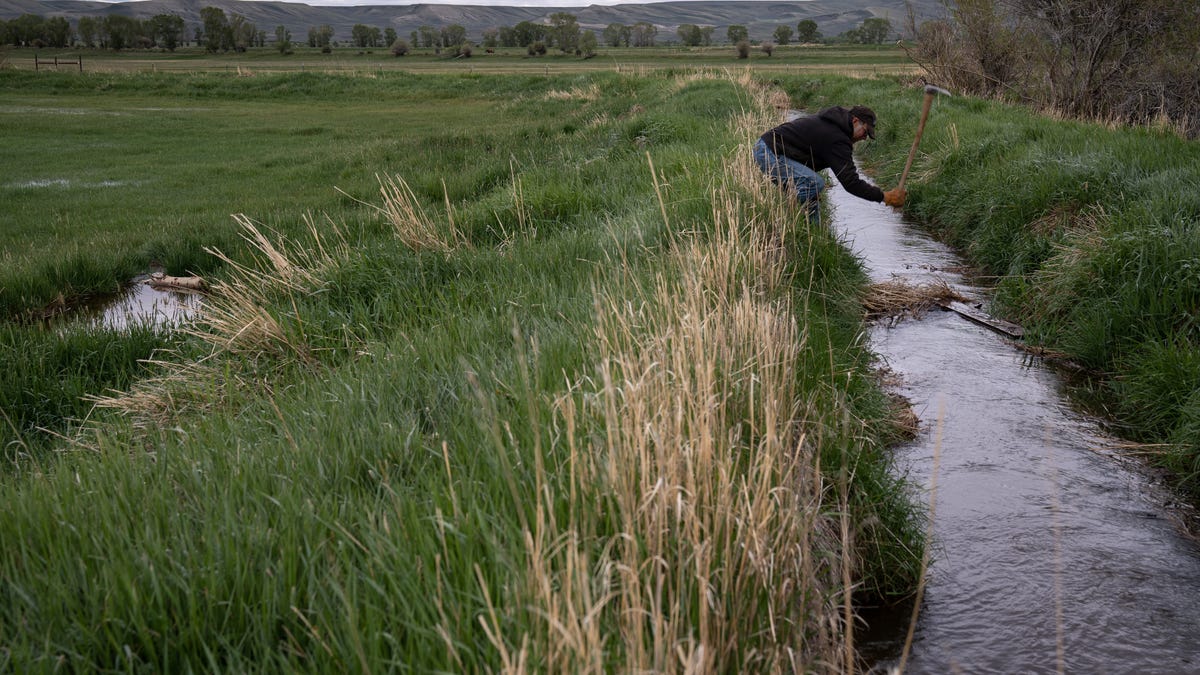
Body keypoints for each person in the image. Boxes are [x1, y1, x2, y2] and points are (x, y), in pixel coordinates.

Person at [753, 105, 906, 221]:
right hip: (769, 152)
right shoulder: (836, 138)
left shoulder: (835, 127)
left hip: (774, 150)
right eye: (865, 132)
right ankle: (788, 224)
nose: (864, 138)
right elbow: (851, 182)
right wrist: (884, 197)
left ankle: (811, 235)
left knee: (812, 201)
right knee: (813, 183)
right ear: (855, 121)